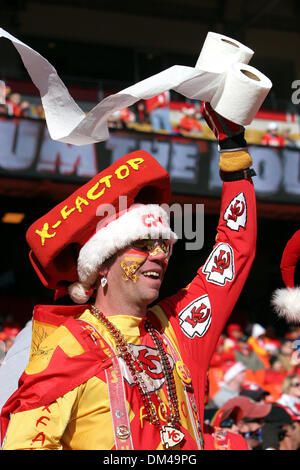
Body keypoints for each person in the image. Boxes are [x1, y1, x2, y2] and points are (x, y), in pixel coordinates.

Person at [0, 101, 257, 450]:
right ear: (102, 264)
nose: (158, 255)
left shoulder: (179, 327)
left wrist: (233, 149)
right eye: (141, 244)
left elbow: (235, 251)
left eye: (163, 244)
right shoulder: (67, 349)